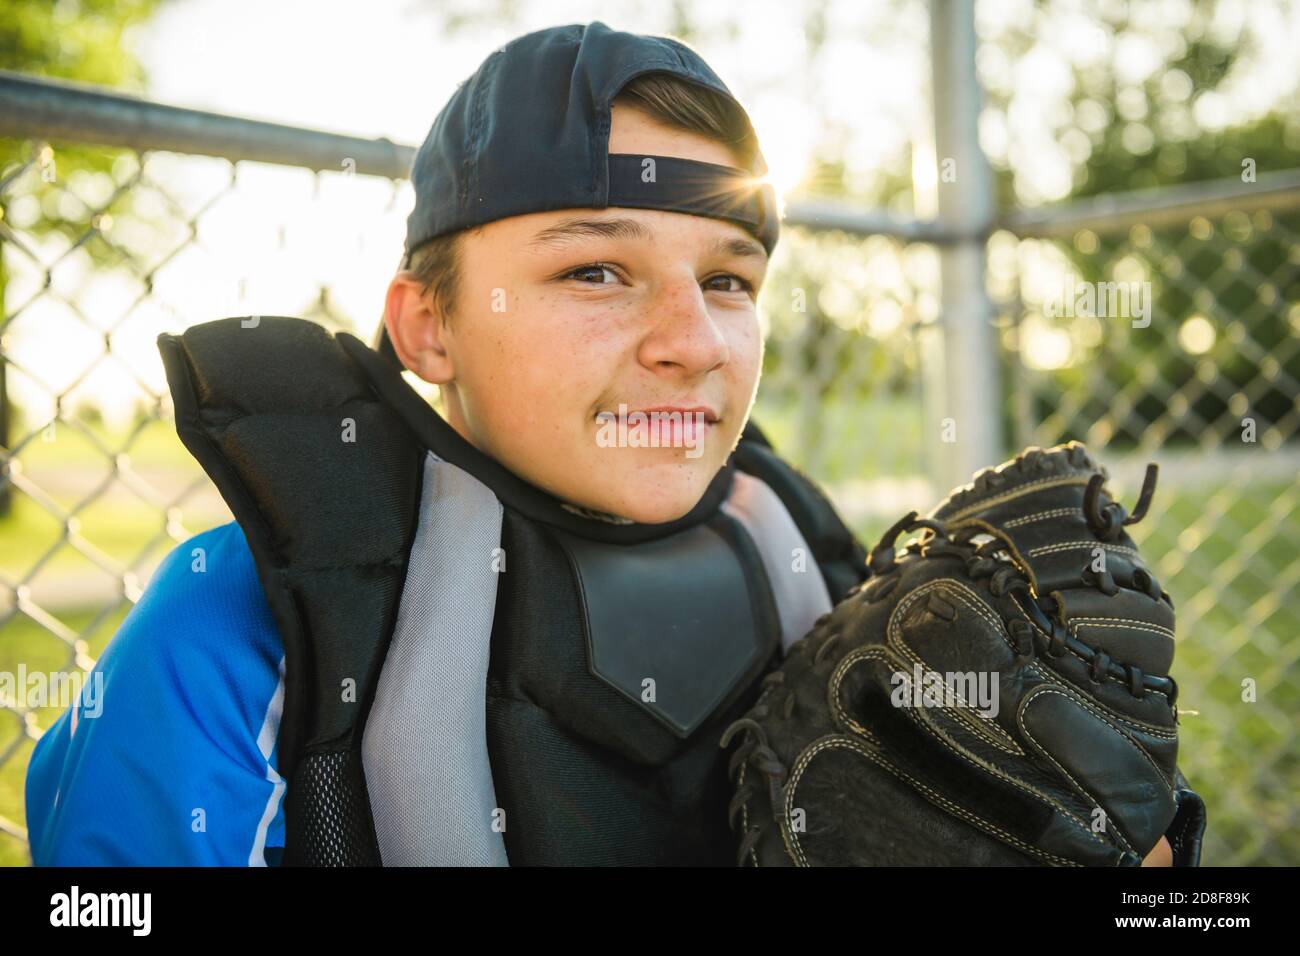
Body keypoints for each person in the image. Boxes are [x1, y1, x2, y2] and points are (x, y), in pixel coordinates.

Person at [24, 20, 1173, 868]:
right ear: (429, 323)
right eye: (594, 270)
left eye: (728, 280)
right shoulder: (245, 627)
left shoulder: (802, 563)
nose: (692, 340)